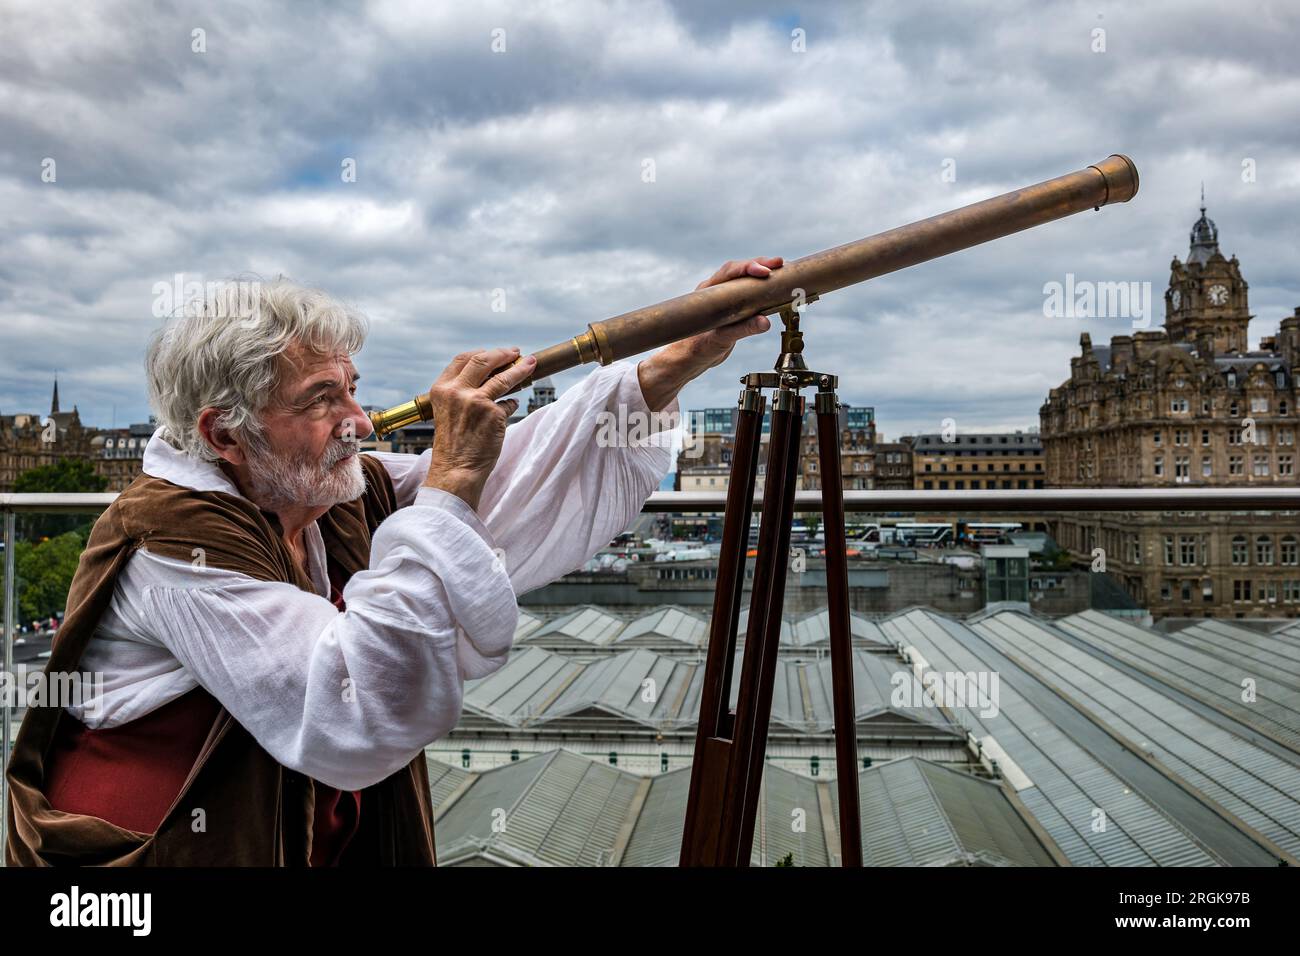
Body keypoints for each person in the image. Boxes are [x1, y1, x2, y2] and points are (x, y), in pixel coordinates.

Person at [5, 256, 783, 866]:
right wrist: (449, 477)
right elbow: (347, 707)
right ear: (224, 435)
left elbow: (518, 478)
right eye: (320, 400)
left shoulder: (325, 489)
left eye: (354, 389)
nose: (359, 422)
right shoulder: (172, 544)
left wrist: (679, 356)